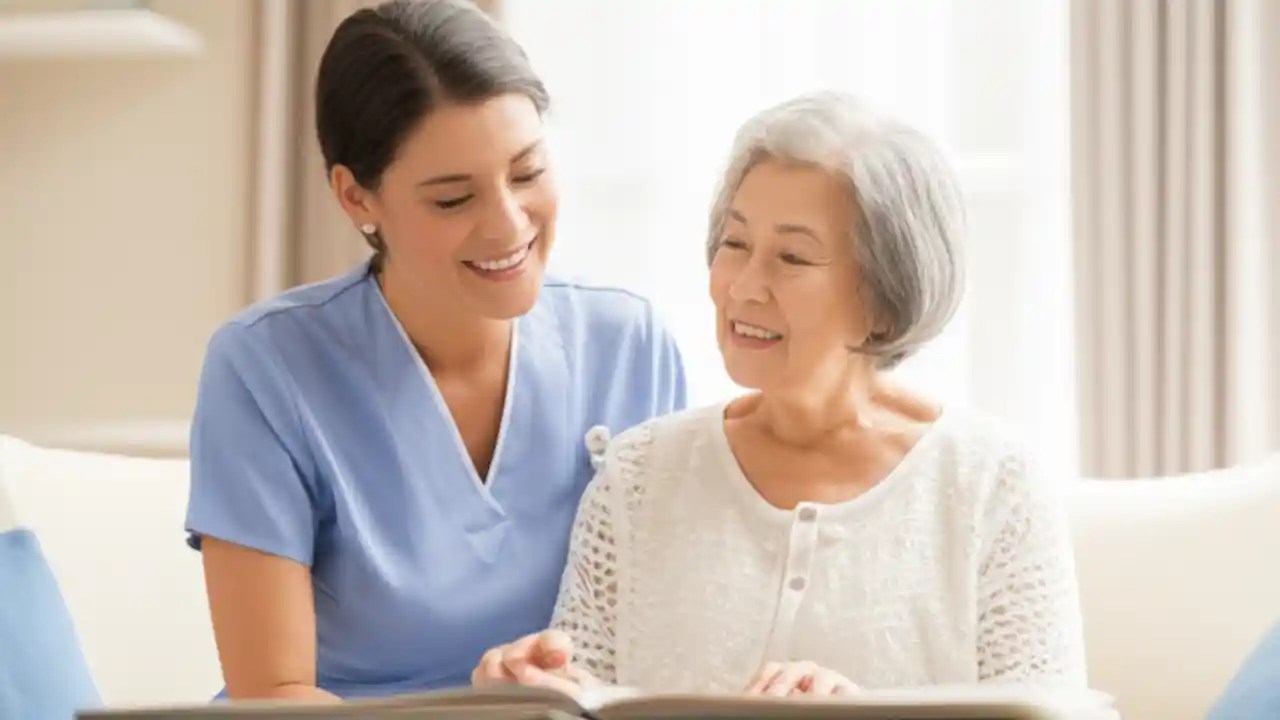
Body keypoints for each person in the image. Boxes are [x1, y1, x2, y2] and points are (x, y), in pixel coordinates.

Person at [473, 92, 1088, 697]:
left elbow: (1054, 713)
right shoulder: (637, 476)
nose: (743, 287)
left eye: (792, 257)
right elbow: (586, 694)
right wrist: (535, 691)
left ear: (883, 296)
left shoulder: (992, 484)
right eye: (735, 244)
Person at [184, 0, 685, 702]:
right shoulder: (266, 369)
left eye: (527, 172)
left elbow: (665, 643)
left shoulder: (629, 346)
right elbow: (274, 697)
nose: (508, 225)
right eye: (453, 200)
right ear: (357, 198)